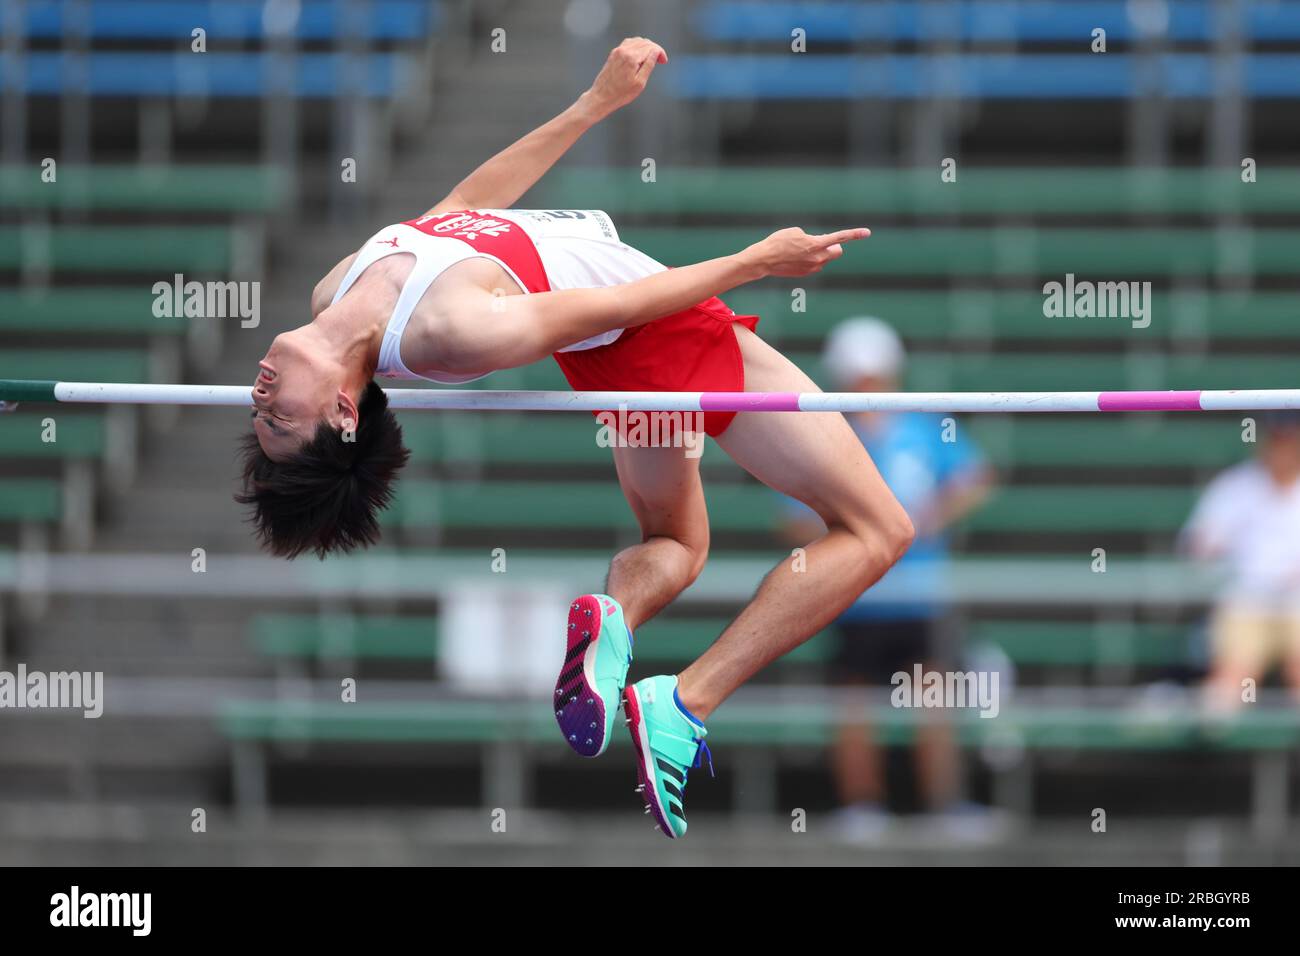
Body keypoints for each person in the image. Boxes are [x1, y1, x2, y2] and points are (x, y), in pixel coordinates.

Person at [237, 38, 914, 838]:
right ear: (345, 413)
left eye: (259, 411)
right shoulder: (450, 334)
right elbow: (617, 310)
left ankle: (614, 618)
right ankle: (686, 700)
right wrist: (754, 260)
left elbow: (464, 204)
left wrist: (594, 104)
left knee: (676, 542)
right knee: (880, 529)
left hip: (629, 360)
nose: (260, 394)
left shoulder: (337, 283)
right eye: (281, 417)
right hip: (656, 337)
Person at [781, 319, 993, 840]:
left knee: (932, 703)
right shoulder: (826, 430)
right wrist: (857, 526)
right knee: (855, 706)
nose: (867, 388)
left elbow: (974, 477)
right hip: (855, 594)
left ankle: (944, 805)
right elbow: (793, 515)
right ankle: (862, 806)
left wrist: (930, 516)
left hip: (920, 592)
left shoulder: (924, 425)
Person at [1182, 412, 1300, 711]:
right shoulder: (1235, 485)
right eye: (1277, 439)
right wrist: (1209, 549)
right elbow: (1198, 546)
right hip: (1246, 602)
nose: (1283, 448)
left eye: (1290, 440)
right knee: (1231, 682)